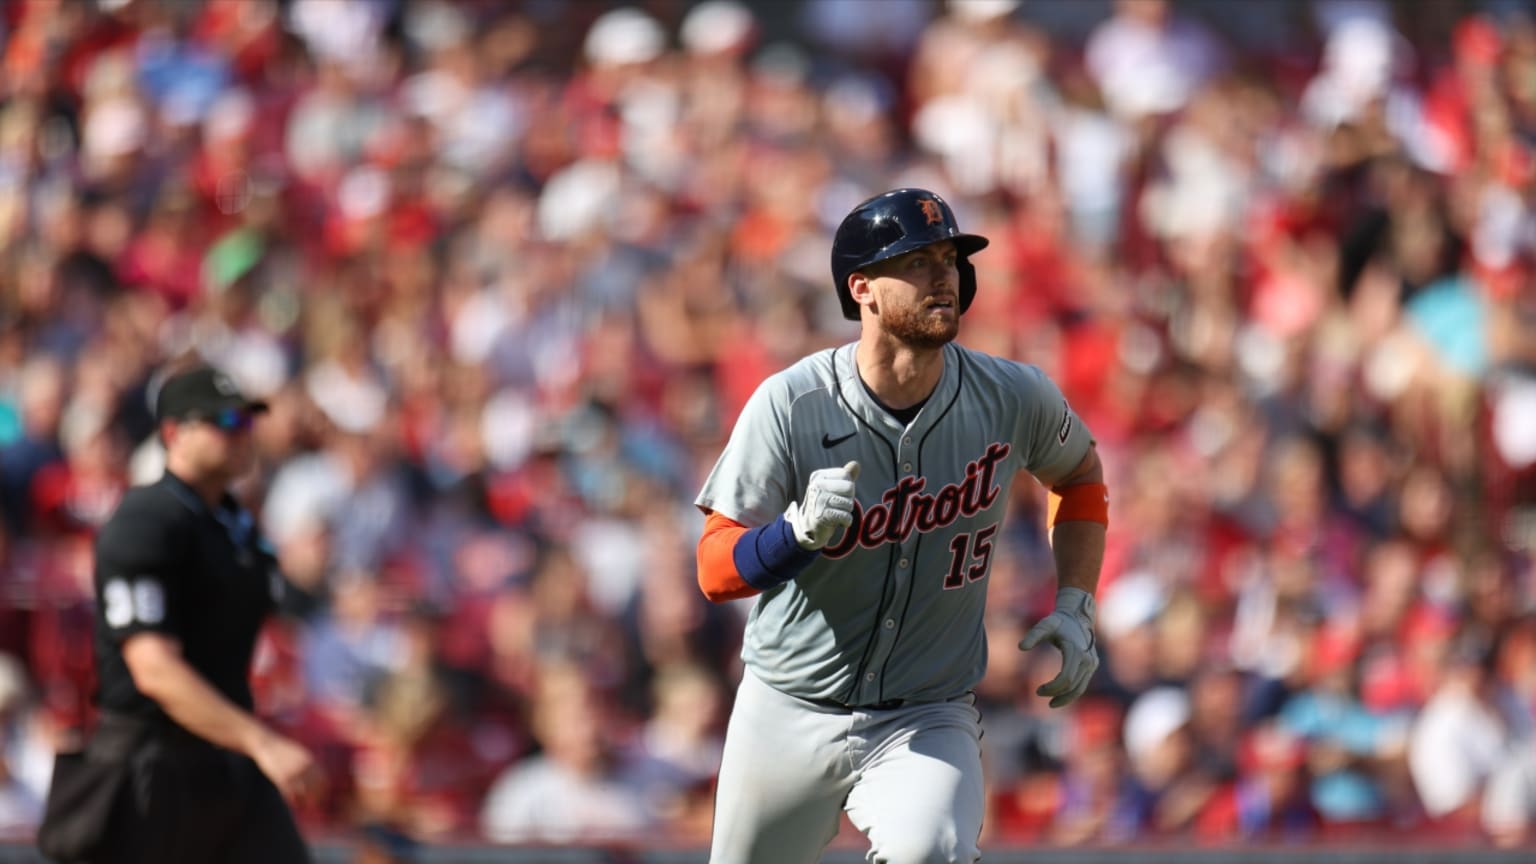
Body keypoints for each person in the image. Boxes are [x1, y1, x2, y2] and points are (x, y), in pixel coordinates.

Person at [694, 188, 1108, 863]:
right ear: (862, 289)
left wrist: (1076, 601)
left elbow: (1080, 477)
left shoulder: (1012, 394)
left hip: (927, 712)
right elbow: (713, 569)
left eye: (948, 258)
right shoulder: (791, 403)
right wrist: (791, 537)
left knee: (934, 851)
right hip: (789, 707)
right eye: (915, 262)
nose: (941, 275)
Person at [48, 364, 321, 863]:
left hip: (224, 760)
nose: (241, 435)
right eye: (224, 423)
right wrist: (261, 742)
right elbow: (154, 670)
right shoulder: (146, 521)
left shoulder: (232, 521)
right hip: (153, 767)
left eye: (246, 422)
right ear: (174, 433)